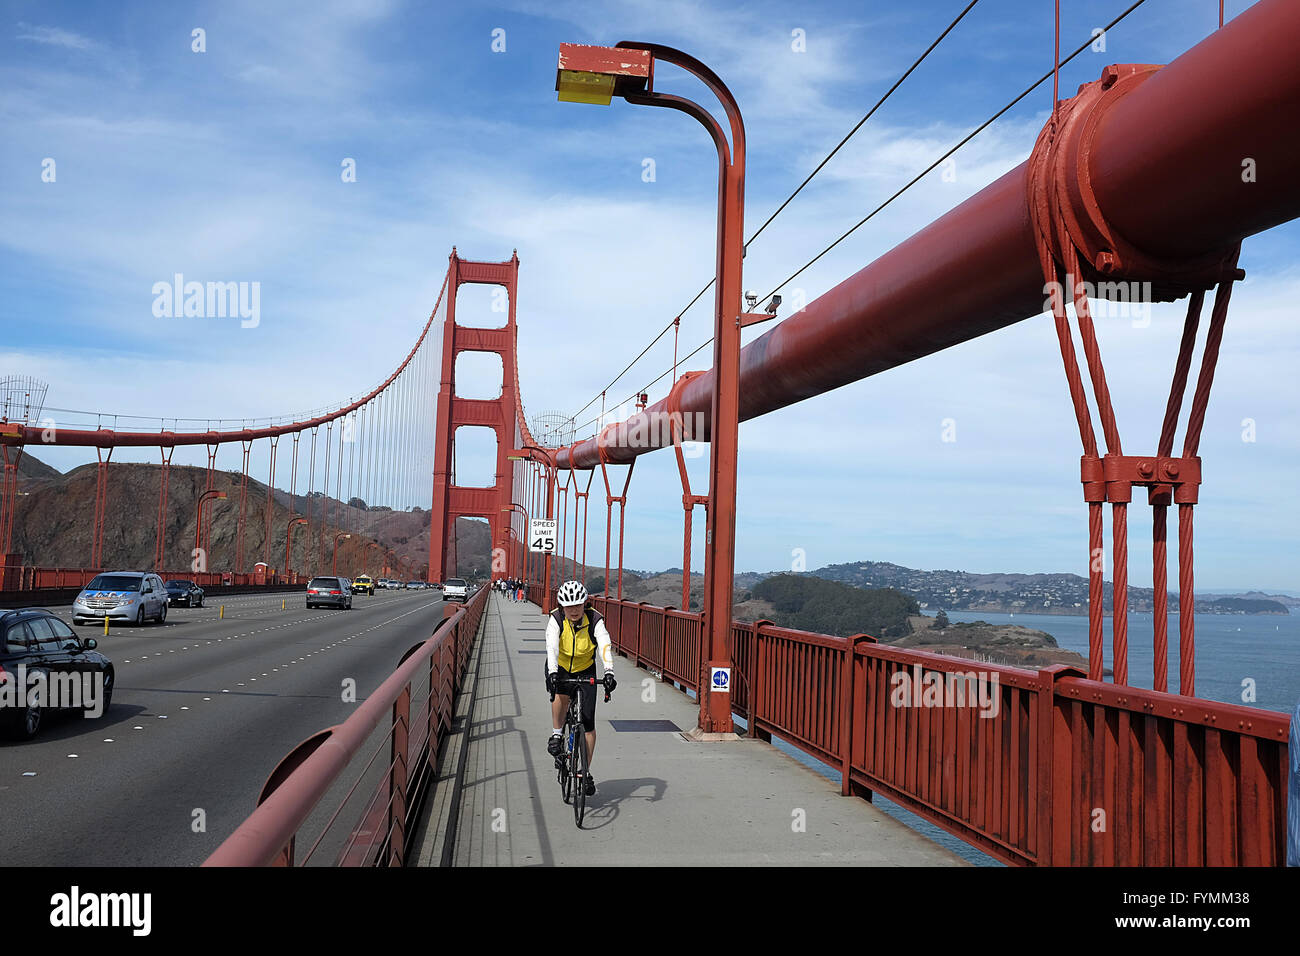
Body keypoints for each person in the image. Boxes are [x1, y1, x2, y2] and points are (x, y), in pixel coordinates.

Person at [545, 580, 615, 796]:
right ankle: (557, 734)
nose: (574, 610)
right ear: (562, 606)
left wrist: (609, 671)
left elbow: (604, 643)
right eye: (569, 606)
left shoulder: (595, 619)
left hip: (586, 669)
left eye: (578, 605)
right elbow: (552, 647)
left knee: (587, 722)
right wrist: (553, 672)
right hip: (562, 667)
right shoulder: (556, 619)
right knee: (560, 694)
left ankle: (585, 772)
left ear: (585, 603)